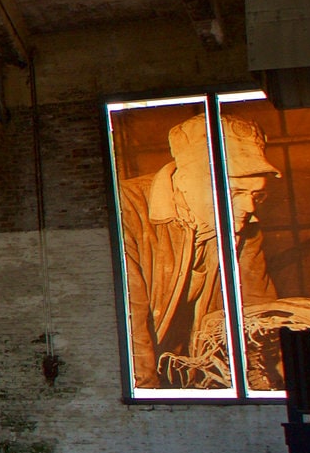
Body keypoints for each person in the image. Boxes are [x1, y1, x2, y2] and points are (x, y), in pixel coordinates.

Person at [118, 112, 276, 389]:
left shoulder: (243, 227)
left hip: (189, 369)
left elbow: (257, 315)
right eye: (237, 191)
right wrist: (144, 398)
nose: (250, 208)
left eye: (256, 194)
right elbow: (128, 323)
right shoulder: (126, 210)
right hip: (142, 372)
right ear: (189, 178)